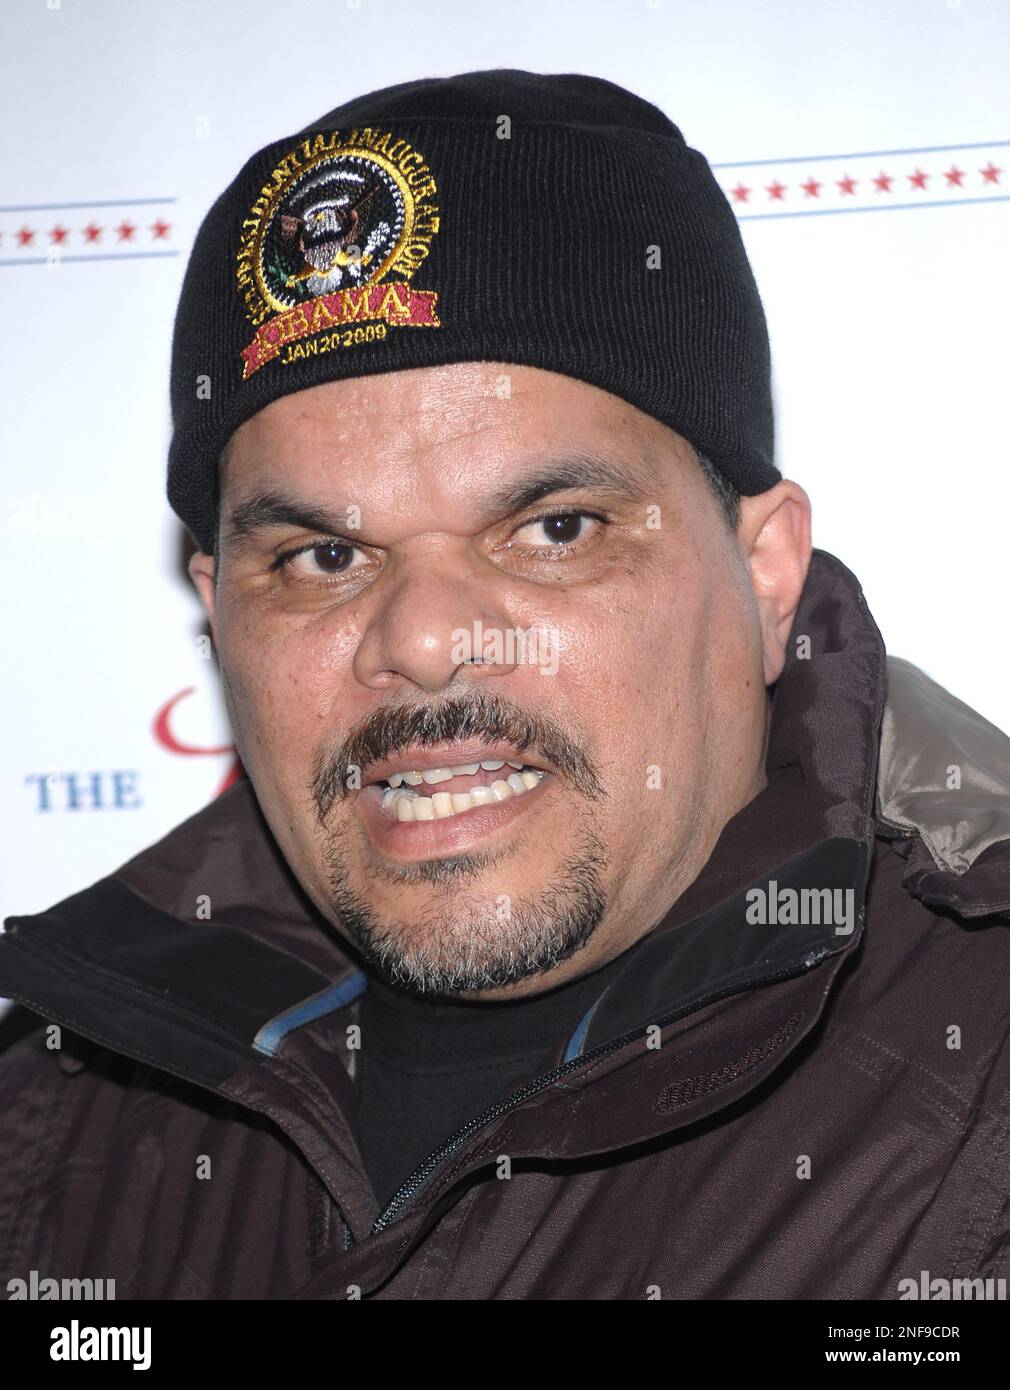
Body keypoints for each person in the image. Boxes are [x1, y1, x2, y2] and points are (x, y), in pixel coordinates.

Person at [2, 69, 1009, 1302]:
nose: (423, 643)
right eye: (323, 556)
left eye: (555, 530)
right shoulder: (49, 1120)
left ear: (763, 575)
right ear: (217, 612)